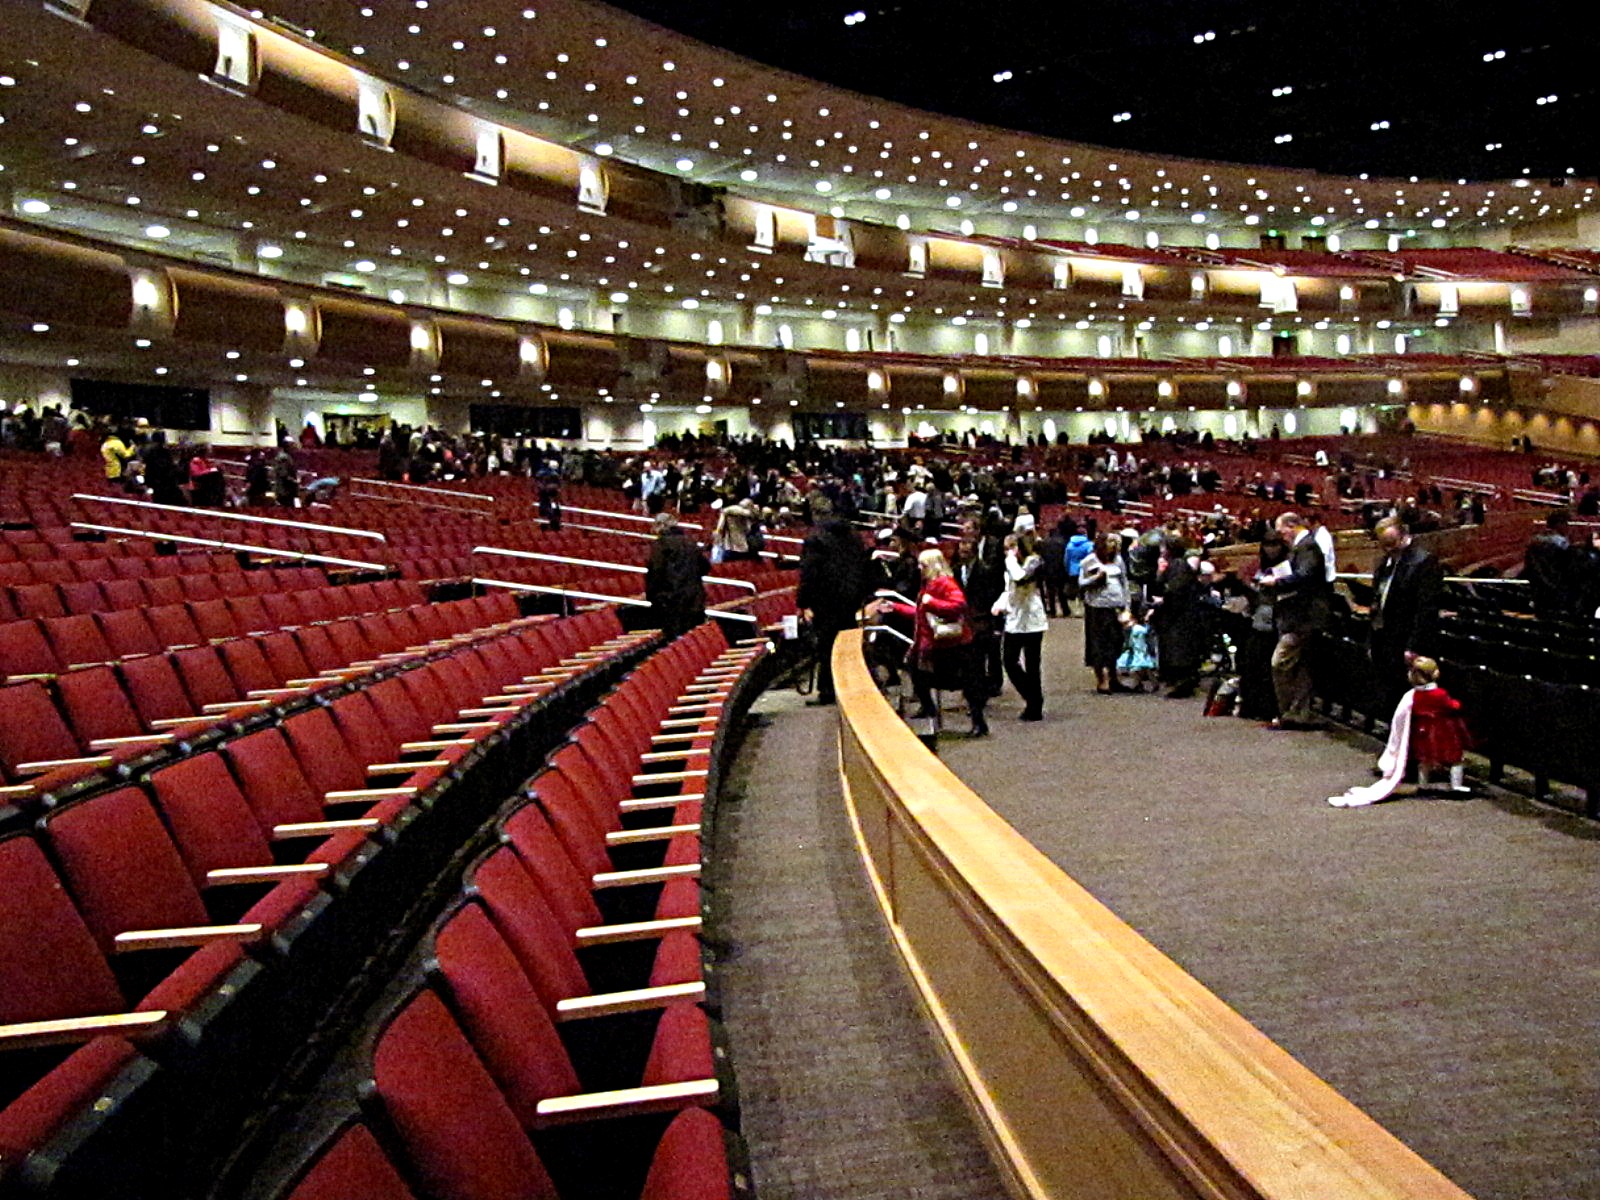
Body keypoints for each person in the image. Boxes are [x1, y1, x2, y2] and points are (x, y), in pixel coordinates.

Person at [878, 548, 988, 737]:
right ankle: (929, 708)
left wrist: (932, 603)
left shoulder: (944, 583)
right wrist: (895, 607)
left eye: (923, 565)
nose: (919, 568)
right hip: (932, 644)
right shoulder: (929, 584)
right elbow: (920, 613)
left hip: (952, 645)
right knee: (916, 672)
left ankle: (978, 722)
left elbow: (959, 605)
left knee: (965, 684)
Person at [1368, 516, 1445, 713]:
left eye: (1392, 543)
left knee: (1407, 698)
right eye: (1384, 545)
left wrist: (1414, 646)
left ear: (1404, 536)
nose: (1388, 549)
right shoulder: (1385, 562)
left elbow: (1426, 609)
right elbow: (1378, 600)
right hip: (1385, 638)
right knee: (1389, 693)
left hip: (1406, 640)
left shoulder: (1424, 561)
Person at [1261, 512, 1330, 729]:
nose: (1282, 537)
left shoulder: (1308, 546)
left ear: (1292, 526)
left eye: (1282, 531)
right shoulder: (1300, 547)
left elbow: (1304, 576)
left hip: (1305, 617)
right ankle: (1297, 713)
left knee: (1280, 662)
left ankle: (1291, 711)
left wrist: (1277, 581)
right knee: (1299, 667)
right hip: (1296, 615)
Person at [797, 518, 873, 706]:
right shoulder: (855, 539)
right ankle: (851, 687)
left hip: (825, 601)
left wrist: (804, 603)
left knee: (826, 647)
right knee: (847, 645)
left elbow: (809, 573)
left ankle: (828, 691)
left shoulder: (816, 541)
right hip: (851, 600)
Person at [999, 527, 1046, 721]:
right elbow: (1008, 589)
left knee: (1032, 663)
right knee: (1009, 660)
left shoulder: (1034, 561)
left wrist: (1010, 559)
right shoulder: (1011, 564)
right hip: (1015, 618)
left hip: (1032, 619)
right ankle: (1033, 697)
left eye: (1011, 547)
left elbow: (1020, 578)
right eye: (1005, 549)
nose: (1008, 552)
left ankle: (1034, 706)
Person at [1151, 534, 1205, 699]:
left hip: (1180, 615)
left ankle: (1183, 684)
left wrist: (1163, 599)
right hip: (1177, 613)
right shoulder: (1175, 565)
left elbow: (1175, 590)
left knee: (1180, 650)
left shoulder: (1179, 566)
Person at [1406, 657, 1471, 793]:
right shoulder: (1439, 694)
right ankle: (1456, 785)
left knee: (1425, 759)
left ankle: (1423, 784)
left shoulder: (1415, 694)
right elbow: (1452, 705)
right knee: (1455, 758)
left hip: (1422, 729)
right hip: (1442, 730)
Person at [1077, 532, 1129, 694]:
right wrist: (1096, 578)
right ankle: (1102, 680)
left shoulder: (1118, 560)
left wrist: (1127, 606)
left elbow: (1124, 583)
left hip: (1116, 607)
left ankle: (1114, 678)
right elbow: (1081, 583)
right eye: (1110, 543)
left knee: (1116, 642)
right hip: (1097, 609)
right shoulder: (1089, 561)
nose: (1113, 547)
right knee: (1098, 645)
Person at [644, 512, 708, 637]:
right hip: (694, 597)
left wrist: (652, 596)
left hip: (672, 599)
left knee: (675, 637)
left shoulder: (661, 545)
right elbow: (705, 566)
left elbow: (657, 572)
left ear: (660, 526)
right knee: (692, 638)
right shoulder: (690, 542)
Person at [1522, 508, 1575, 621]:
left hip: (1538, 589)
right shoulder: (1562, 544)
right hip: (1557, 591)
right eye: (1566, 523)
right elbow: (1568, 569)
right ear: (1559, 524)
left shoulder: (1534, 541)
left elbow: (1528, 567)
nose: (1568, 527)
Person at [1116, 605, 1157, 693]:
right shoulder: (1136, 629)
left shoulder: (1137, 629)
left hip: (1139, 652)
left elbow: (1143, 634)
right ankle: (1145, 684)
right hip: (1139, 652)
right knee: (1143, 669)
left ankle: (1140, 684)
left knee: (1140, 669)